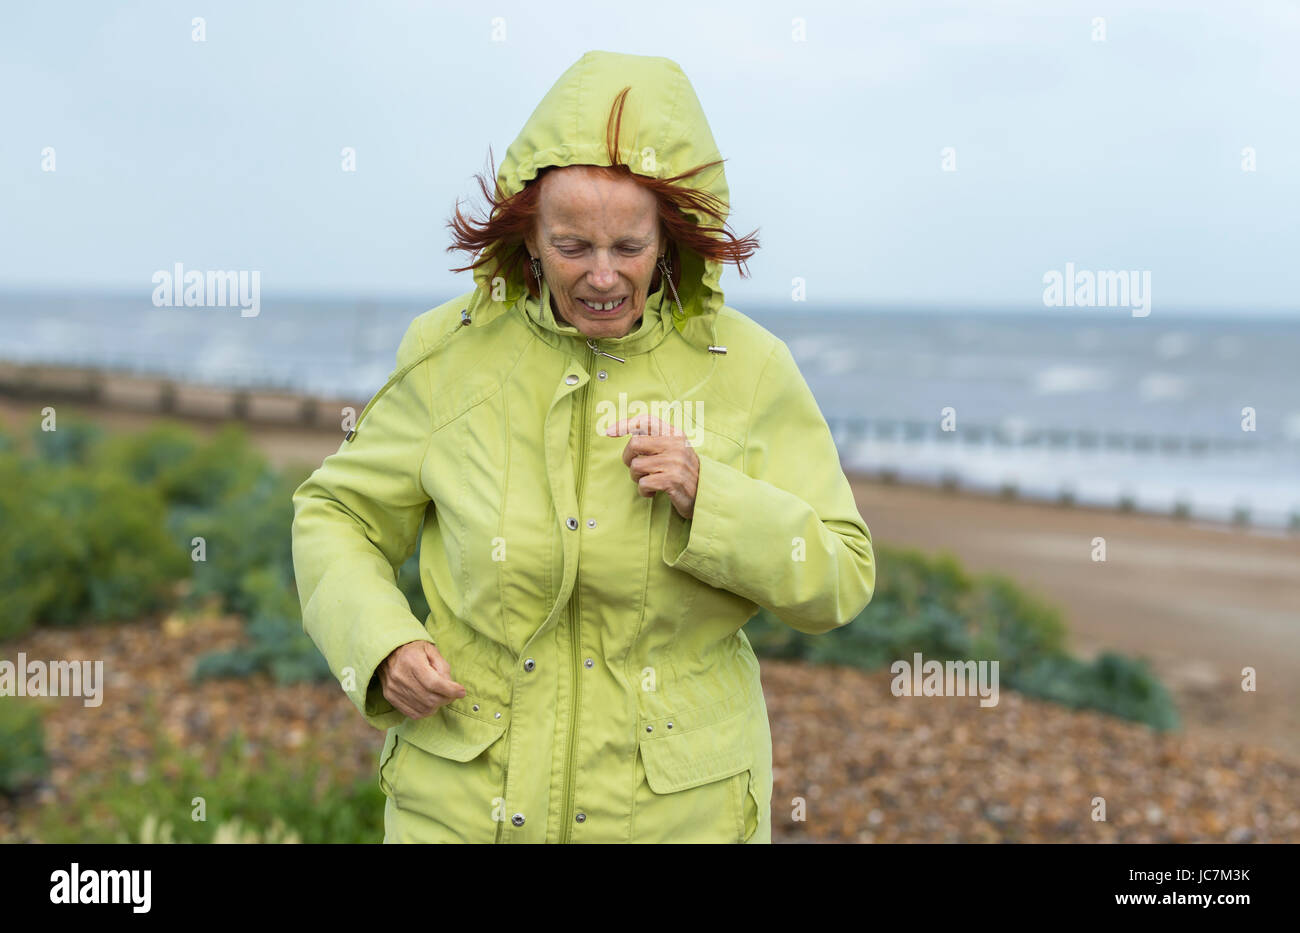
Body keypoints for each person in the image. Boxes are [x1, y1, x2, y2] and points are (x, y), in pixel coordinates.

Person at [290, 49, 876, 844]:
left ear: (670, 240)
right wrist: (381, 644)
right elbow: (335, 514)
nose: (602, 276)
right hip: (462, 808)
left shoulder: (750, 368)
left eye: (628, 247)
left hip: (678, 815)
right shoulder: (448, 354)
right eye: (572, 247)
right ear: (528, 240)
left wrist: (714, 499)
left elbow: (839, 575)